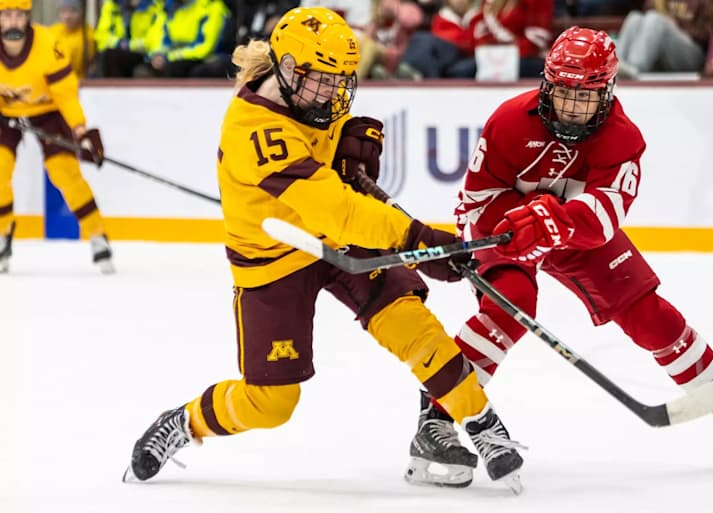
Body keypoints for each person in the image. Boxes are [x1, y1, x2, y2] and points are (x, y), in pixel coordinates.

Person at [124, 7, 524, 493]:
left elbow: (335, 182)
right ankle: (186, 423)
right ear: (289, 70)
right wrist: (419, 240)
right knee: (271, 403)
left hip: (335, 240)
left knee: (408, 320)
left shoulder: (310, 95)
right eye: (324, 82)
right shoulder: (254, 131)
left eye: (343, 81)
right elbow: (337, 211)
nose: (336, 94)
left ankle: (480, 423)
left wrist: (347, 158)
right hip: (275, 259)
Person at [403, 25, 713, 488]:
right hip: (510, 230)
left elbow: (603, 216)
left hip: (577, 236)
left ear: (607, 91)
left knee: (653, 318)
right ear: (547, 83)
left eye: (584, 96)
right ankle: (436, 421)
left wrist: (554, 222)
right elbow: (474, 202)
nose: (570, 107)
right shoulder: (509, 121)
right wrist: (514, 227)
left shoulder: (622, 138)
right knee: (508, 308)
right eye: (563, 92)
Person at [0, 0, 110, 274]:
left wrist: (79, 128)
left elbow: (66, 94)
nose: (13, 22)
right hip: (4, 115)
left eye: (18, 16)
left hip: (47, 113)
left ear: (27, 18)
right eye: (6, 16)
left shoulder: (48, 44)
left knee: (64, 172)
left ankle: (97, 235)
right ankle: (3, 235)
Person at [48, 0, 94, 80]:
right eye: (63, 11)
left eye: (73, 11)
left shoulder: (88, 36)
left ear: (82, 13)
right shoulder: (52, 31)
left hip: (77, 84)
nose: (67, 16)